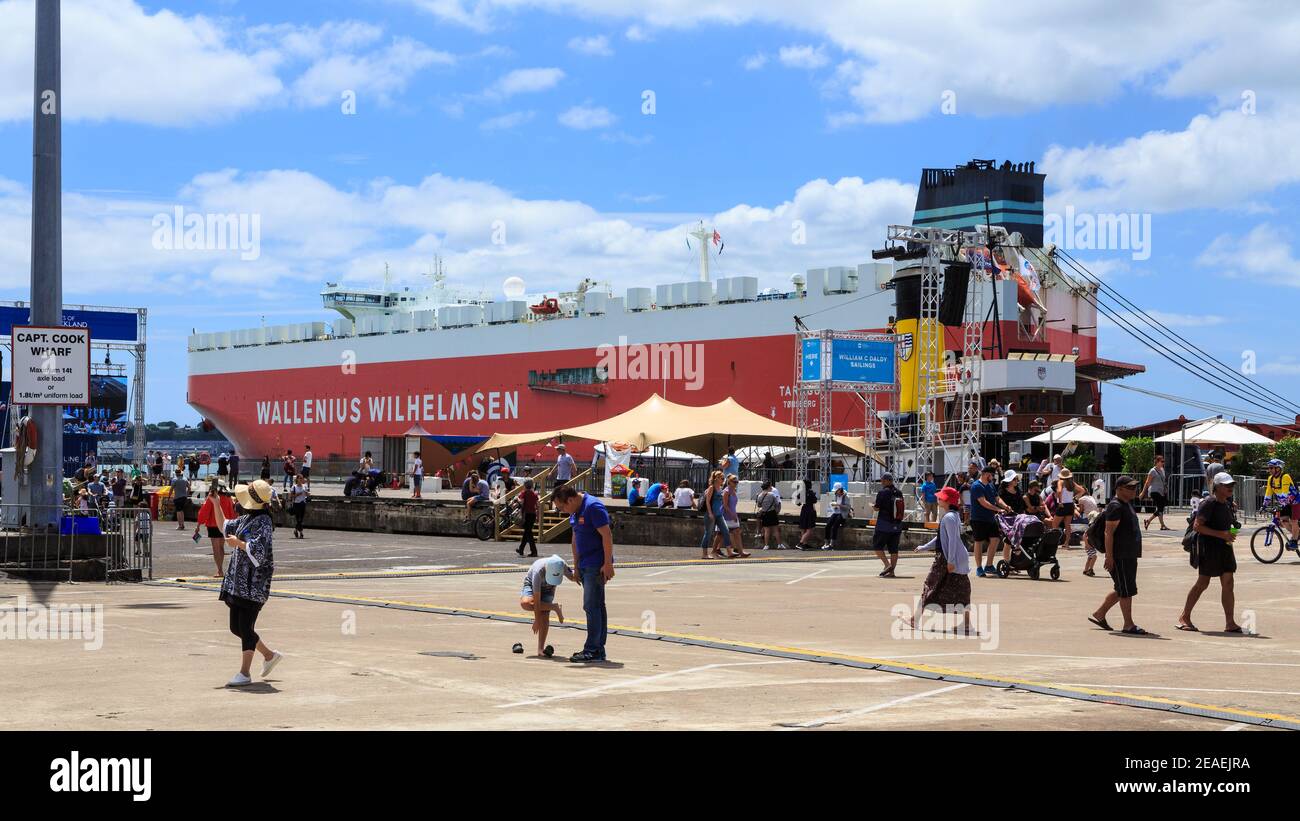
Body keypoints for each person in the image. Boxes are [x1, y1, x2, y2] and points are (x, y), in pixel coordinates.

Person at [213, 479, 283, 687]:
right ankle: (270, 655)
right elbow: (223, 526)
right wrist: (216, 503)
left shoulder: (263, 522)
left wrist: (239, 544)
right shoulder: (247, 518)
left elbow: (259, 553)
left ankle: (244, 672)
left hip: (253, 585)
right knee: (237, 627)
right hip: (239, 582)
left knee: (244, 626)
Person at [554, 484, 615, 663]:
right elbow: (575, 538)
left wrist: (608, 563)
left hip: (596, 564)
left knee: (591, 606)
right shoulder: (576, 510)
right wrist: (576, 564)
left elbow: (607, 535)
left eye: (562, 507)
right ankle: (598, 649)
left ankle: (593, 650)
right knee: (596, 606)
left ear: (571, 500)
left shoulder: (593, 507)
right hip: (585, 564)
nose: (563, 511)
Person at [1178, 473, 1244, 633]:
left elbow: (1232, 524)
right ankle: (1184, 617)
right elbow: (1197, 527)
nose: (1230, 488)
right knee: (1203, 583)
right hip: (1209, 548)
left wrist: (1231, 533)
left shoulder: (1227, 503)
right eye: (1226, 485)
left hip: (1225, 548)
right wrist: (1223, 534)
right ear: (1217, 487)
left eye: (1231, 485)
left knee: (1228, 583)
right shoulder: (1208, 503)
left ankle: (1230, 622)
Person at [908, 486, 973, 634]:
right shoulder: (953, 516)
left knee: (930, 586)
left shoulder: (949, 517)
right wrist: (924, 546)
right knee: (961, 589)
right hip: (957, 556)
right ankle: (967, 623)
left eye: (941, 497)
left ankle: (915, 619)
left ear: (947, 501)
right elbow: (942, 537)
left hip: (948, 557)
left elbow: (951, 541)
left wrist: (950, 561)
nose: (938, 498)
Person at [1089, 476, 1146, 634]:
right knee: (1125, 589)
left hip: (1129, 553)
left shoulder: (1126, 504)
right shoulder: (1116, 506)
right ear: (1119, 489)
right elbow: (1109, 532)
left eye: (1135, 488)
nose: (1134, 490)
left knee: (1123, 587)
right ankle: (1128, 624)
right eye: (1130, 488)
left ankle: (1099, 614)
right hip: (1120, 554)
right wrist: (1109, 556)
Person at [518, 554, 575, 657]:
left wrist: (586, 577)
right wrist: (536, 619)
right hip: (532, 584)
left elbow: (573, 577)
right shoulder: (538, 572)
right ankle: (554, 607)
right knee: (525, 604)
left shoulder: (562, 564)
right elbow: (537, 600)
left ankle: (540, 649)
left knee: (544, 615)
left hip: (549, 588)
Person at [970, 466, 1011, 577]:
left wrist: (1006, 506)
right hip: (978, 518)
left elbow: (997, 499)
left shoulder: (991, 486)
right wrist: (998, 509)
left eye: (993, 475)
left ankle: (989, 565)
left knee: (995, 539)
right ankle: (979, 568)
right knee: (979, 541)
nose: (992, 477)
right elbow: (983, 502)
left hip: (990, 518)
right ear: (985, 474)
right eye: (991, 475)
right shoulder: (976, 486)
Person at [195, 486, 237, 577]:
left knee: (216, 548)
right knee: (221, 547)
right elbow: (232, 512)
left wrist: (199, 524)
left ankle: (219, 570)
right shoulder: (228, 497)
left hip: (213, 525)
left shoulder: (212, 498)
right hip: (225, 524)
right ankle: (220, 569)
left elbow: (204, 512)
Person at [872, 473, 904, 576]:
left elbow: (877, 508)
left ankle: (887, 565)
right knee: (894, 549)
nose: (881, 482)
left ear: (886, 481)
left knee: (877, 546)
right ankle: (892, 571)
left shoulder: (882, 493)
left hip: (884, 524)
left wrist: (873, 506)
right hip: (897, 524)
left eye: (882, 480)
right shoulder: (899, 492)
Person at [1263, 458, 1298, 548]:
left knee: (1294, 521)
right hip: (1284, 503)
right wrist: (1264, 505)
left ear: (1278, 468)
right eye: (1269, 468)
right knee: (1283, 521)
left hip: (1295, 501)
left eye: (1271, 468)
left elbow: (1284, 493)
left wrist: (1279, 505)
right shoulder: (1271, 479)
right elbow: (1268, 493)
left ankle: (1294, 540)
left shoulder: (1285, 477)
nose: (1269, 470)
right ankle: (1297, 534)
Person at [698, 470, 733, 559]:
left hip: (719, 514)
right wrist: (710, 513)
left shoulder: (720, 489)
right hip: (711, 514)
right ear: (716, 478)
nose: (723, 480)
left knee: (725, 531)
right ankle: (704, 554)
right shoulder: (711, 488)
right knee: (708, 533)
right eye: (722, 478)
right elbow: (707, 501)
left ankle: (729, 552)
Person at [1140, 454, 1170, 531]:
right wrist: (1143, 493)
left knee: (1160, 508)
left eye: (1163, 461)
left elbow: (1163, 481)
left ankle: (1161, 525)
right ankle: (1150, 521)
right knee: (1160, 507)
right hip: (1154, 491)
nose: (1163, 463)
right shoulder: (1152, 471)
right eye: (1161, 461)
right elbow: (1147, 482)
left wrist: (1165, 488)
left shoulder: (1162, 470)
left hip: (1161, 491)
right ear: (1157, 462)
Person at [722, 474, 749, 558]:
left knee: (737, 532)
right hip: (727, 515)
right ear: (729, 482)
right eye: (734, 481)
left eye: (737, 481)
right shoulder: (726, 492)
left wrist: (734, 514)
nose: (736, 483)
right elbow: (725, 505)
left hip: (733, 514)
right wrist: (732, 514)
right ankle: (722, 550)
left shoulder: (734, 491)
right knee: (722, 535)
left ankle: (740, 551)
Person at [755, 480, 785, 550]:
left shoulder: (760, 495)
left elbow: (759, 505)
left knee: (767, 531)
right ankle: (779, 544)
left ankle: (766, 545)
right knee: (776, 530)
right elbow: (777, 504)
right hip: (772, 513)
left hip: (765, 513)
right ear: (768, 487)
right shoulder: (772, 495)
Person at [516, 478, 540, 558]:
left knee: (528, 533)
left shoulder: (524, 493)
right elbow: (537, 506)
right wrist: (538, 516)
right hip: (533, 514)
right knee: (527, 532)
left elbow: (522, 503)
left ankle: (534, 551)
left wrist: (518, 499)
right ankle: (521, 549)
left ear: (525, 485)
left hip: (526, 514)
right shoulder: (535, 494)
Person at [795, 479, 818, 550]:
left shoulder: (801, 492)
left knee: (803, 528)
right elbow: (815, 501)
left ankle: (805, 544)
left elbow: (798, 503)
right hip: (810, 510)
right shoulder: (811, 492)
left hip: (804, 509)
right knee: (810, 529)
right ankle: (801, 543)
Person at [289, 474, 309, 539]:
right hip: (296, 504)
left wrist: (307, 493)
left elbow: (307, 494)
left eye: (302, 478)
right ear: (297, 479)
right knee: (298, 519)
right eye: (300, 478)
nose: (301, 479)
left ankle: (295, 530)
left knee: (301, 519)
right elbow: (291, 496)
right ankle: (301, 533)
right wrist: (297, 494)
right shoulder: (294, 487)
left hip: (303, 503)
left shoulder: (305, 486)